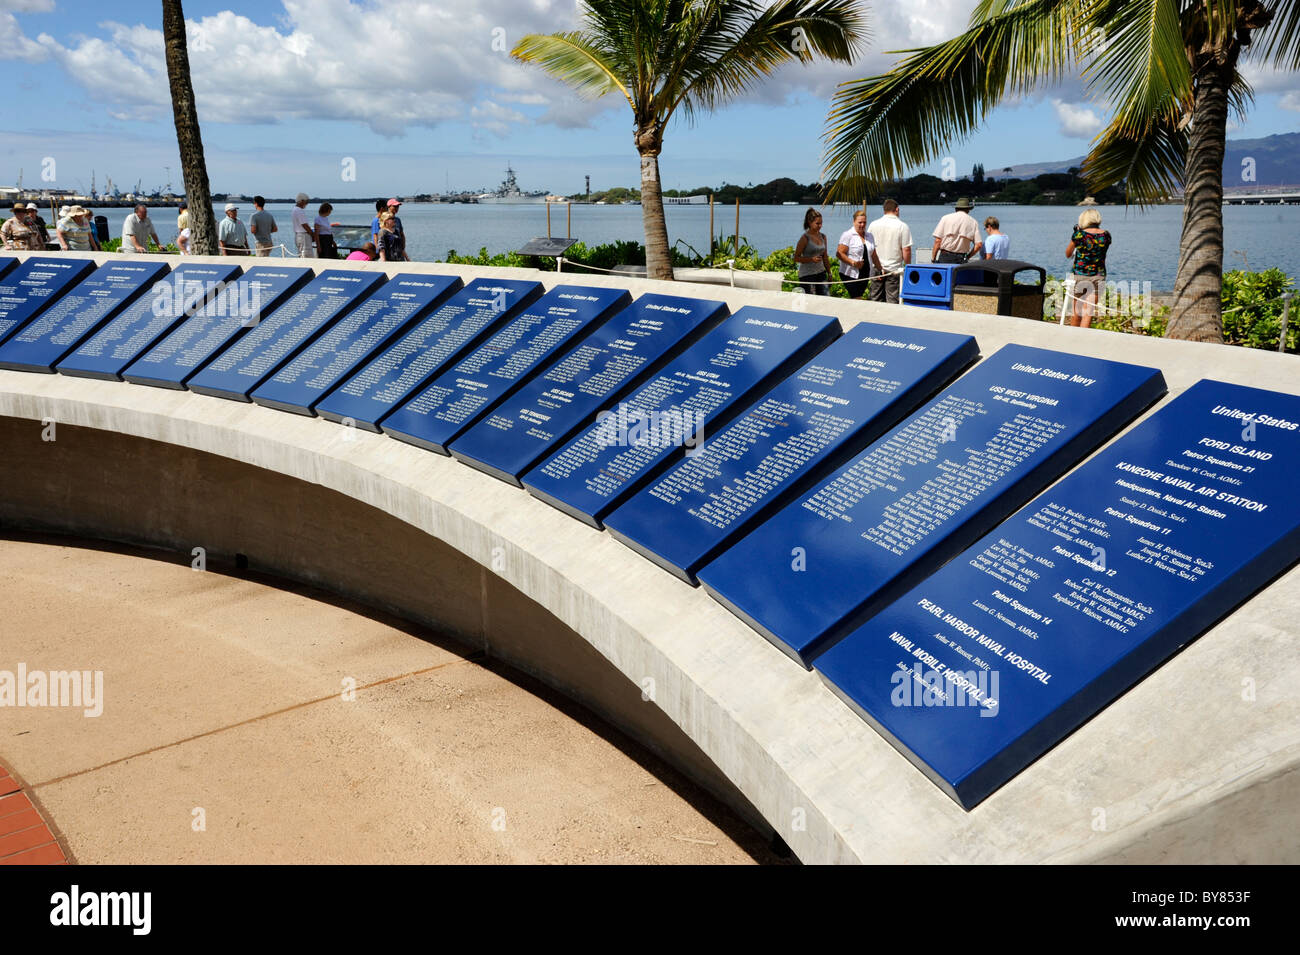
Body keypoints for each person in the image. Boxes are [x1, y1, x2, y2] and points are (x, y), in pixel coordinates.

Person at [1065, 209, 1112, 329]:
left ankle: (1072, 340)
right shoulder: (1106, 235)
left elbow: (1068, 254)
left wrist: (1077, 236)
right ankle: (1082, 342)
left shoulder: (1079, 235)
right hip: (1098, 276)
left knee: (1077, 311)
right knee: (1088, 313)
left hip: (1080, 275)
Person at [867, 199, 913, 303]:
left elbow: (868, 247)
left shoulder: (873, 224)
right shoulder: (902, 226)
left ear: (884, 210)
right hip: (894, 269)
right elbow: (906, 249)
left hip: (876, 268)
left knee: (875, 300)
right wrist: (908, 266)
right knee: (892, 302)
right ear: (897, 209)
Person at [836, 211, 881, 300]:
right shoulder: (848, 235)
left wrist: (880, 269)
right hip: (850, 274)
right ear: (854, 222)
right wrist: (853, 263)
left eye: (864, 222)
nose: (862, 225)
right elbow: (839, 253)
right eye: (860, 222)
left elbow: (874, 255)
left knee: (858, 298)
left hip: (865, 273)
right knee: (857, 298)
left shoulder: (869, 236)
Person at [931, 197, 982, 263]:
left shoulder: (945, 218)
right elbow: (979, 245)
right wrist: (968, 257)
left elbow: (937, 241)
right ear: (968, 210)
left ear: (956, 209)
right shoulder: (973, 222)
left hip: (945, 257)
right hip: (962, 258)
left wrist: (933, 259)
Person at [793, 208, 831, 295]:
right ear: (810, 223)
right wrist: (811, 259)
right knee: (811, 302)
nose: (820, 225)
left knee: (826, 298)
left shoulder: (823, 237)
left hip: (821, 273)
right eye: (817, 223)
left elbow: (825, 256)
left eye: (821, 223)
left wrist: (829, 273)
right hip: (807, 275)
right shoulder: (805, 238)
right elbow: (796, 258)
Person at [291, 192, 315, 257]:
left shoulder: (294, 209)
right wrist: (313, 235)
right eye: (306, 202)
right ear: (302, 201)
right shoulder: (299, 210)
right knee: (307, 256)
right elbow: (304, 225)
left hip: (298, 235)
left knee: (301, 255)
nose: (307, 204)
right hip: (303, 236)